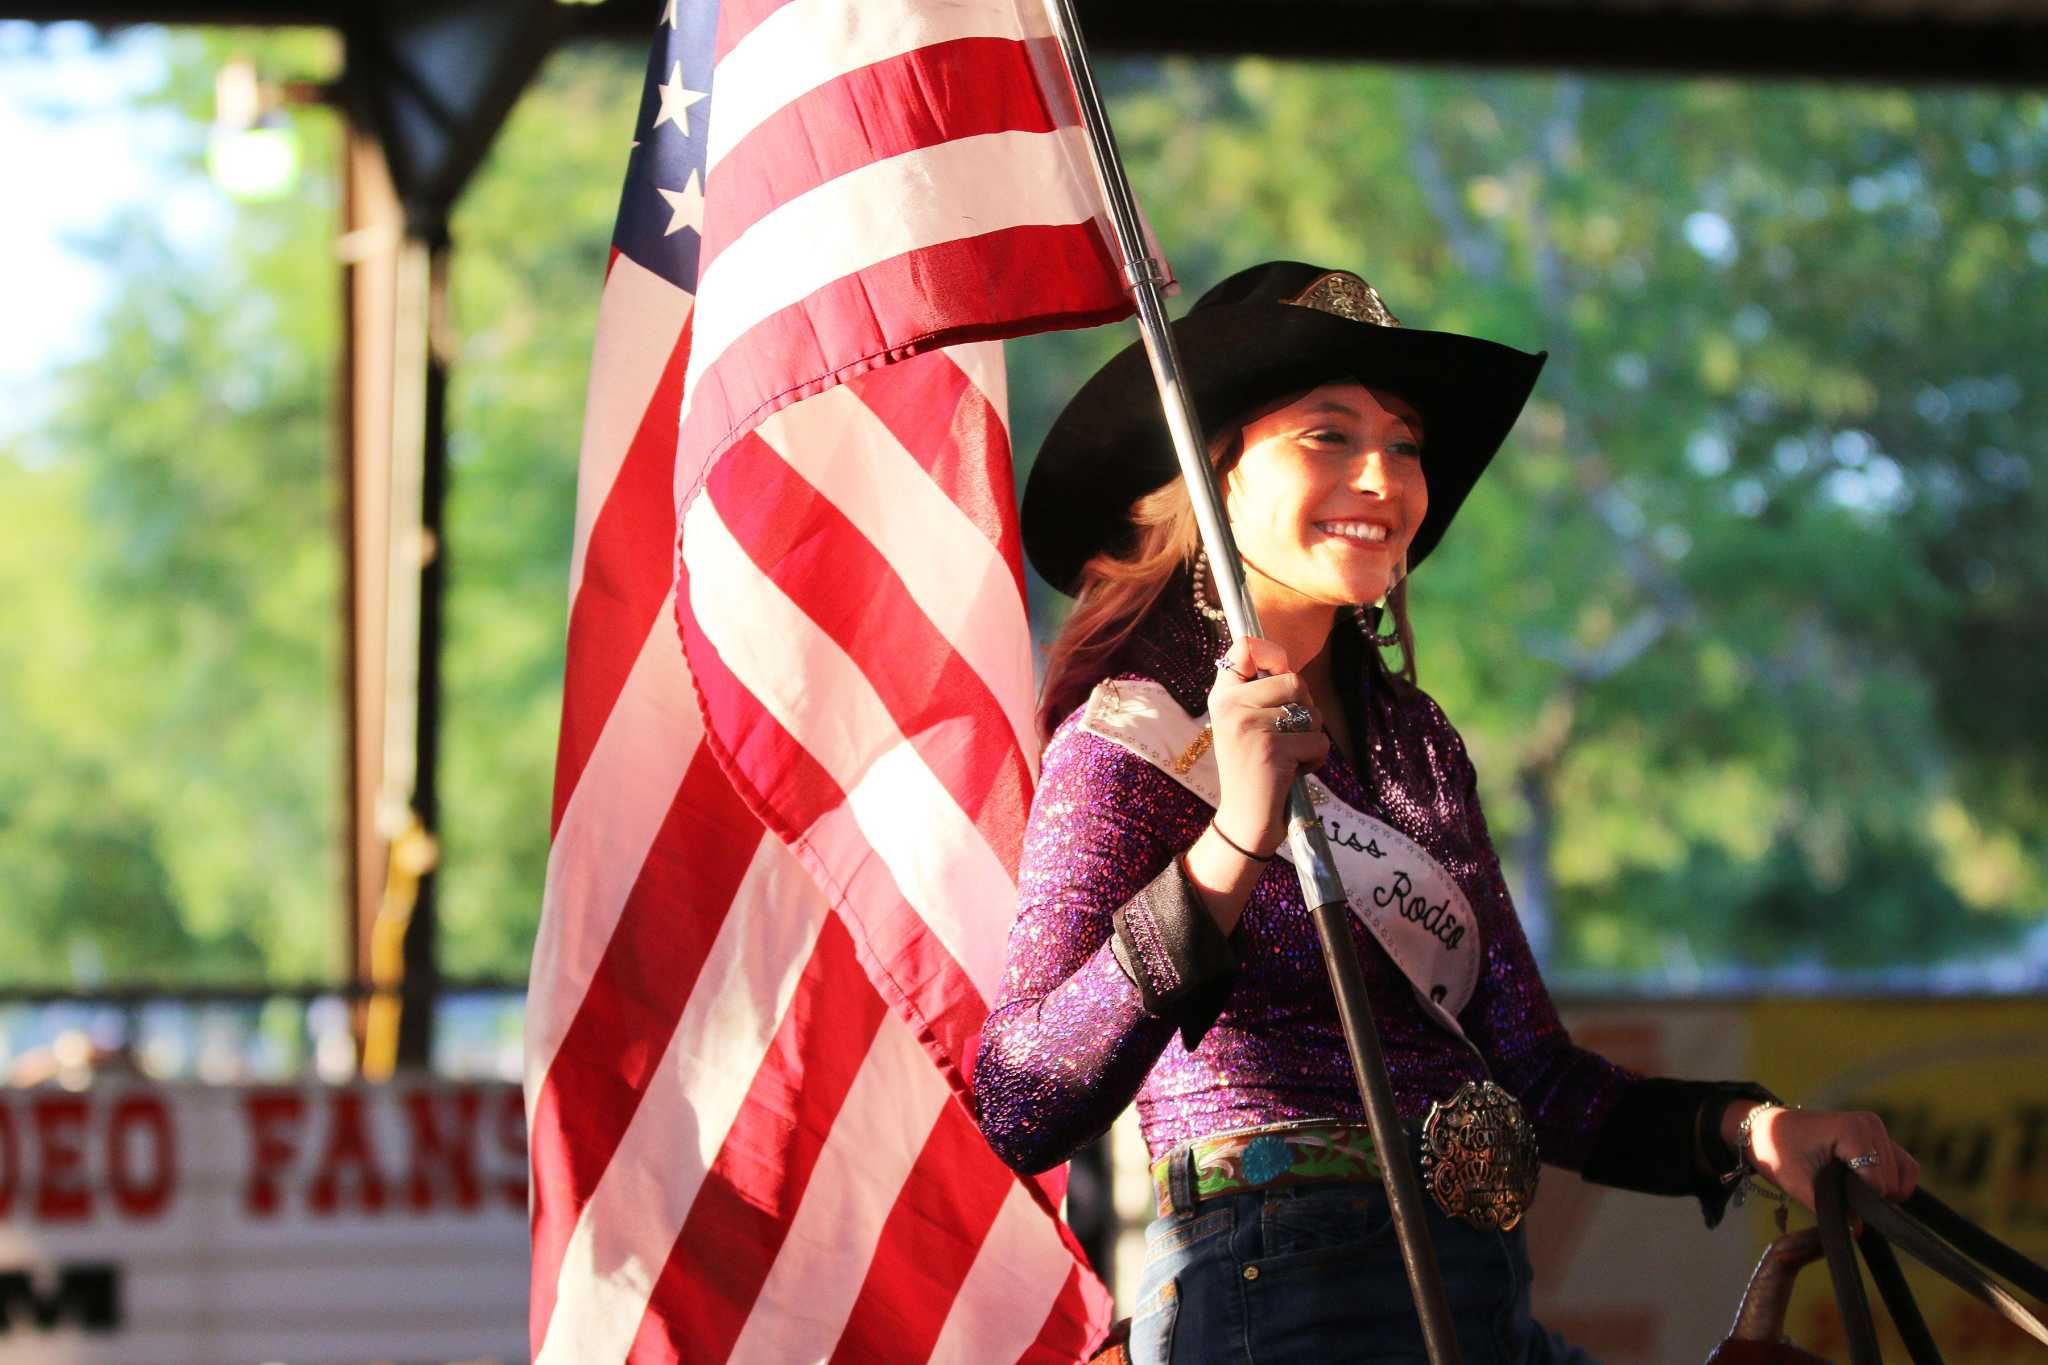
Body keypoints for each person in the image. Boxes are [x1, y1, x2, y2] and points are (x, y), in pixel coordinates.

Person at [972, 261, 1921, 1364]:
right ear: (1215, 474)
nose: (1381, 475)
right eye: (1328, 436)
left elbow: (1537, 1076)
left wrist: (1752, 1130)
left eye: (1405, 443)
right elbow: (1020, 1097)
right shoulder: (1128, 739)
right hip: (1274, 1293)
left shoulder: (1418, 743)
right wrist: (1232, 840)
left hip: (1476, 1289)